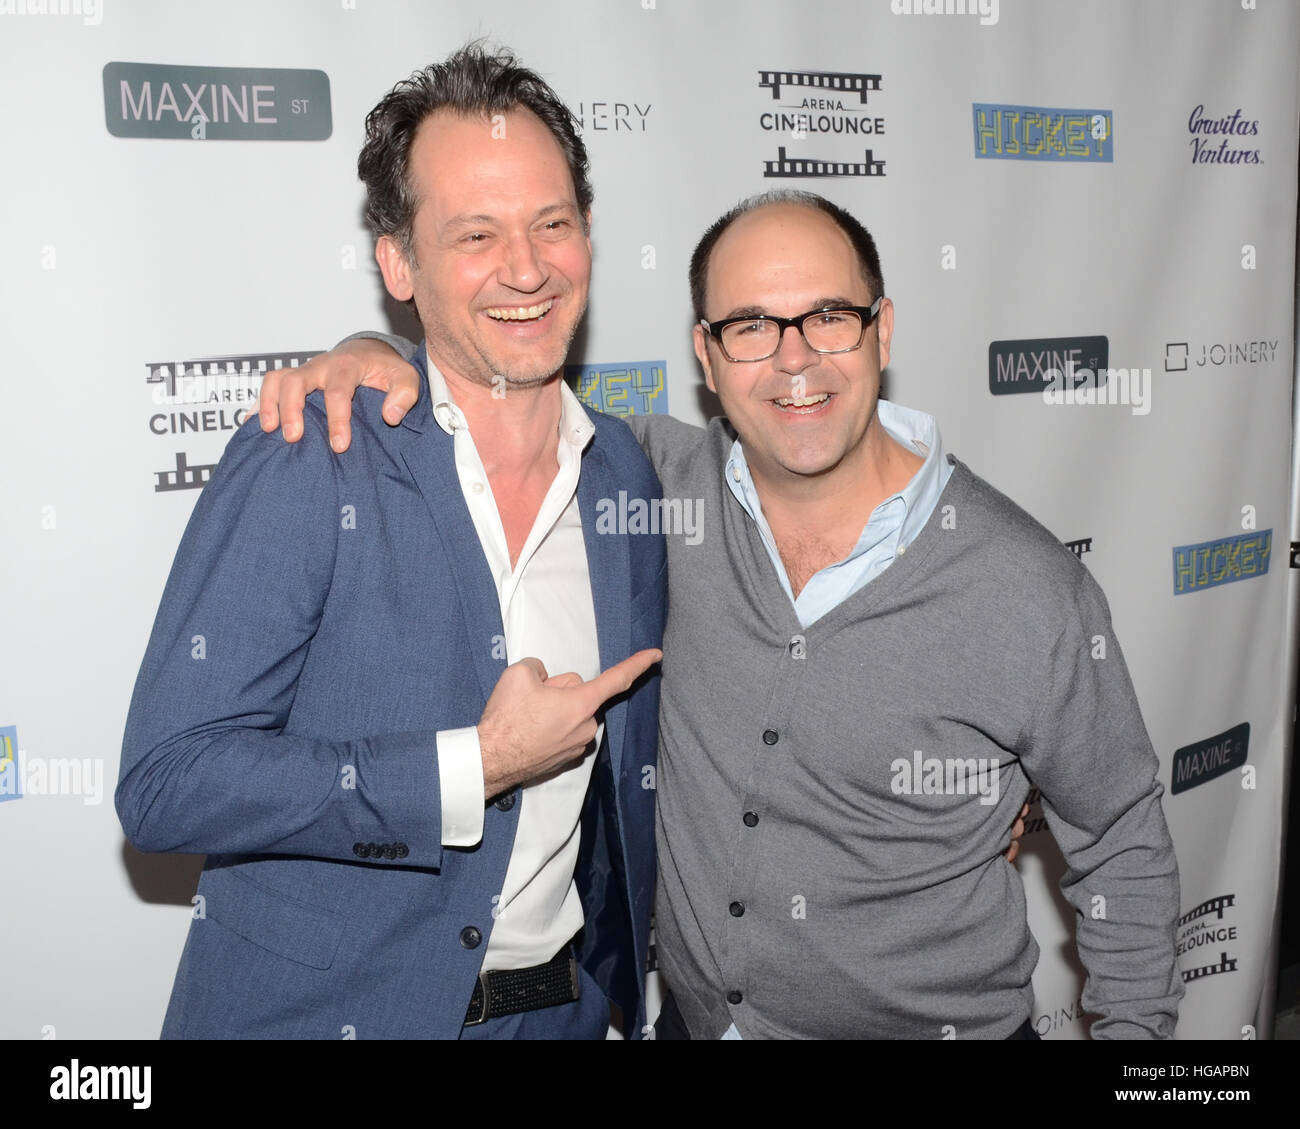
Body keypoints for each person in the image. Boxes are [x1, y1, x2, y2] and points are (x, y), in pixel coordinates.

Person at [265, 188, 1184, 1040]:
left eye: (829, 316)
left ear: (882, 331)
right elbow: (487, 392)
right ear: (704, 355)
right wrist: (376, 353)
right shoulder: (647, 487)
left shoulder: (1025, 586)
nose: (795, 359)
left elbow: (1124, 843)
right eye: (751, 326)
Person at [116, 45, 666, 1040]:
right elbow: (167, 784)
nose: (528, 267)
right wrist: (474, 765)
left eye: (553, 223)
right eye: (475, 234)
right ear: (399, 264)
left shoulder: (626, 474)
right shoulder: (312, 452)